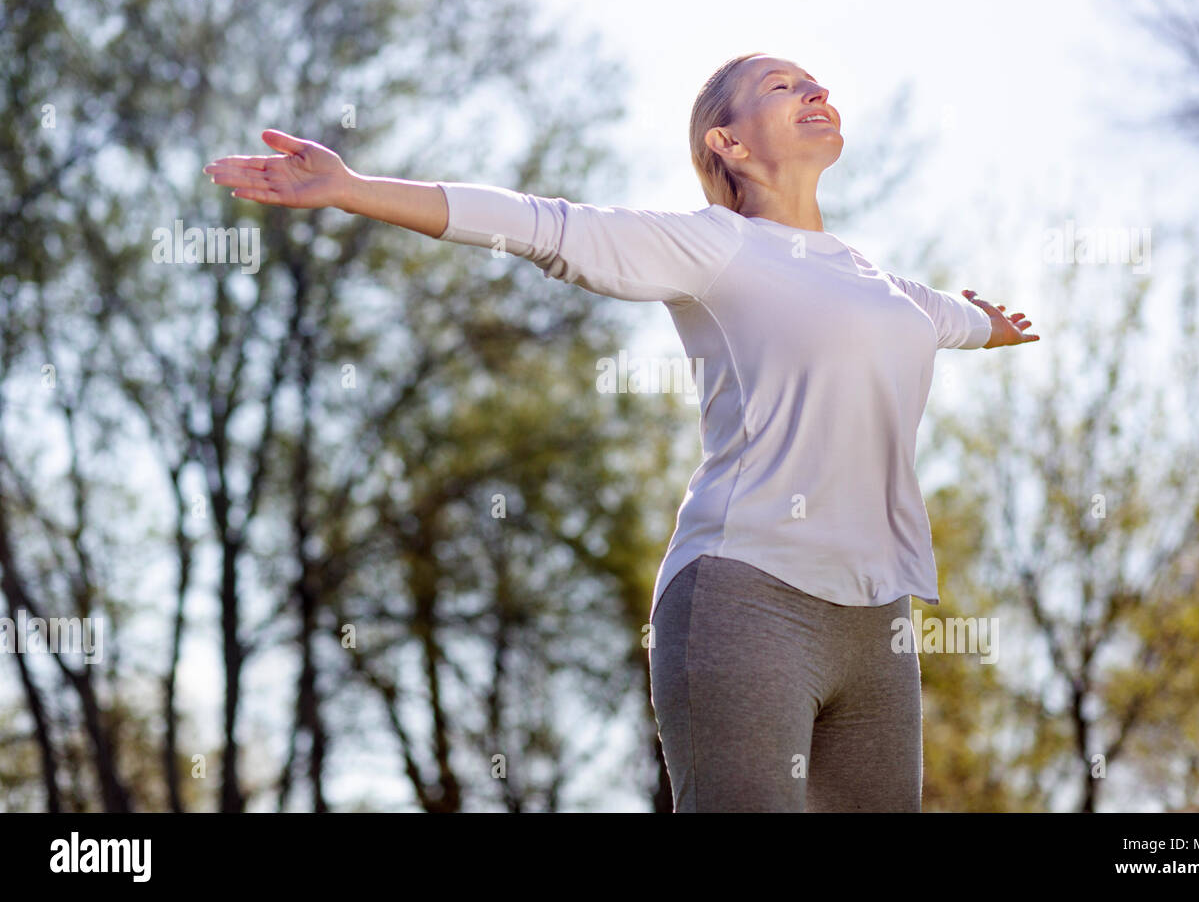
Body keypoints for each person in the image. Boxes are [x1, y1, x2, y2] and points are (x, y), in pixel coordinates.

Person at [205, 51, 1040, 813]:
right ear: (730, 144)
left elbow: (953, 320)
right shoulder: (715, 246)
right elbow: (544, 225)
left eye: (816, 80)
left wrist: (990, 322)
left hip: (879, 621)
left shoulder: (883, 285)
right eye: (783, 88)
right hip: (748, 594)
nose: (817, 89)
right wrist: (353, 187)